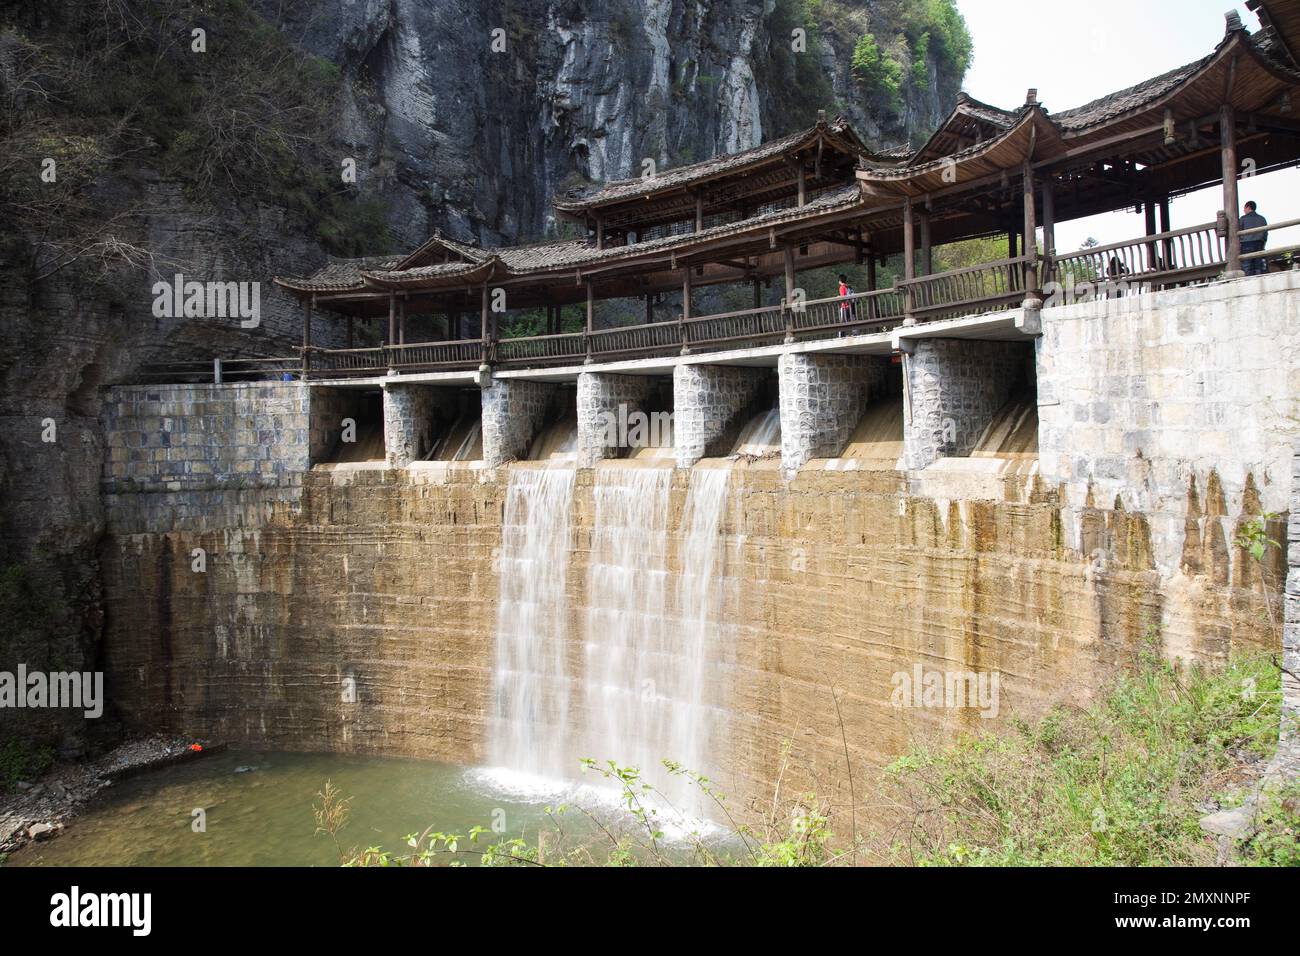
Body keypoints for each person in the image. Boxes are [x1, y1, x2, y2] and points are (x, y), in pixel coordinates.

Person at [1240, 201, 1269, 276]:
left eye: (1244, 208)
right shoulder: (1262, 218)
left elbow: (1238, 231)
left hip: (1247, 244)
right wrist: (1263, 243)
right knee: (1259, 265)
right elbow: (1265, 233)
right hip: (1260, 244)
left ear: (1248, 207)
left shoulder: (1243, 219)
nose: (1244, 210)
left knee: (1247, 266)